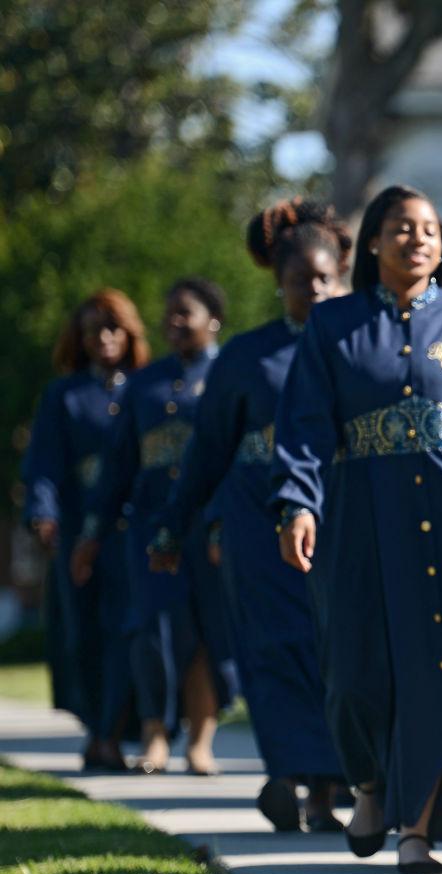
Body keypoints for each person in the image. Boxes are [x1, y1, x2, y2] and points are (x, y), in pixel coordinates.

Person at [270, 184, 442, 874]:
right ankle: (369, 783)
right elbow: (305, 429)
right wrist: (298, 505)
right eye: (402, 229)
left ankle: (417, 831)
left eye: (429, 230)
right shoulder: (332, 326)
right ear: (372, 242)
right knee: (355, 675)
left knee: (436, 671)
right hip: (358, 522)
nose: (417, 240)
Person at [149, 200, 351, 832]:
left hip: (339, 518)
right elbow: (209, 449)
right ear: (278, 283)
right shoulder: (247, 356)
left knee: (333, 649)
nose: (314, 290)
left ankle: (325, 787)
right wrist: (175, 524)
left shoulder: (358, 342)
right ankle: (290, 773)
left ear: (340, 274)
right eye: (301, 281)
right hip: (256, 521)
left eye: (325, 279)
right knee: (272, 650)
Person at [73, 279, 238, 776]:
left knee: (210, 633)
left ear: (212, 318)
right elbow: (118, 466)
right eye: (167, 313)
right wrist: (93, 530)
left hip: (211, 527)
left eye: (184, 312)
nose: (173, 322)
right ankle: (155, 735)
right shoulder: (145, 383)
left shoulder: (231, 373)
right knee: (153, 630)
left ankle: (201, 741)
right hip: (151, 529)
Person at [22, 290, 150, 769]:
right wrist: (44, 514)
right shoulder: (65, 394)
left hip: (131, 531)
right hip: (78, 531)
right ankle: (96, 728)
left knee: (126, 631)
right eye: (94, 329)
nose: (104, 338)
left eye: (113, 327)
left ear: (130, 333)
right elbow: (44, 465)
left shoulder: (145, 388)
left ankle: (112, 734)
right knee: (82, 635)